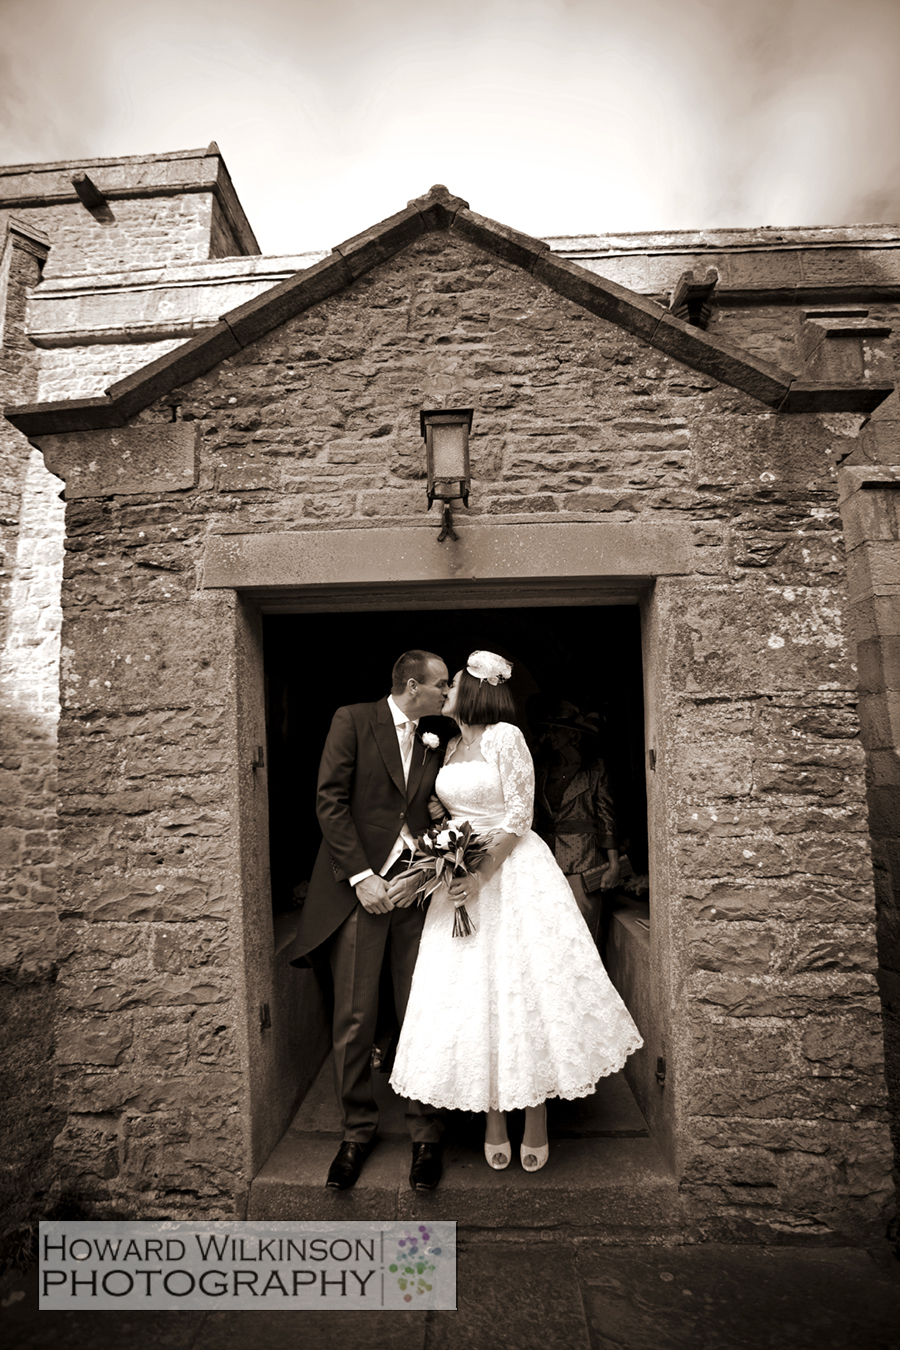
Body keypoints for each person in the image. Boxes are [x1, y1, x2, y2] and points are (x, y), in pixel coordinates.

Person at [390, 651, 643, 1172]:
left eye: (454, 682)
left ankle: (535, 1115)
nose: (447, 689)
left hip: (510, 874)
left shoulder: (506, 736)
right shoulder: (451, 742)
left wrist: (481, 873)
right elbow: (456, 807)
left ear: (476, 689)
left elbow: (518, 816)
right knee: (473, 997)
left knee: (523, 990)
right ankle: (492, 1116)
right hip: (458, 873)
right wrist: (443, 839)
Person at [291, 650, 449, 1191]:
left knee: (419, 1012)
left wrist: (426, 865)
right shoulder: (353, 720)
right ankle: (357, 1132)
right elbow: (329, 801)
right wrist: (361, 877)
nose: (447, 694)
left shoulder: (438, 738)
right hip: (362, 890)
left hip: (417, 889)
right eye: (441, 685)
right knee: (355, 1017)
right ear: (412, 685)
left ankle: (426, 1133)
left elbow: (439, 810)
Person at [532, 700, 621, 946]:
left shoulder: (594, 768)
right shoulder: (541, 768)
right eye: (546, 730)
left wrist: (613, 865)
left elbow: (607, 816)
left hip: (584, 863)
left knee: (582, 937)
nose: (548, 735)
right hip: (546, 862)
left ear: (573, 735)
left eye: (555, 730)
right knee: (549, 934)